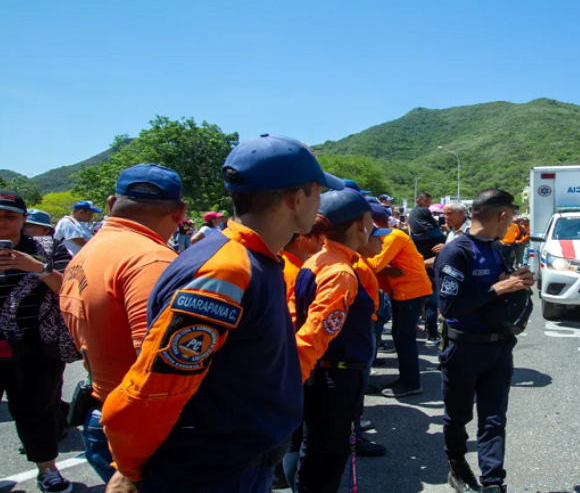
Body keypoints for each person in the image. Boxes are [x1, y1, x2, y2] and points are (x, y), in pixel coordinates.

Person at [100, 134, 342, 492]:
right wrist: (129, 467)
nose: (321, 204)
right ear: (296, 197)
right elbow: (158, 384)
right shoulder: (228, 269)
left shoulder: (256, 258)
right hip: (213, 470)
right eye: (318, 192)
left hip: (237, 462)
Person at [59, 164, 185, 483]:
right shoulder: (153, 261)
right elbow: (159, 369)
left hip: (105, 408)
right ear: (180, 212)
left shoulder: (89, 252)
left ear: (112, 203)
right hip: (141, 429)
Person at [290, 189, 391, 492]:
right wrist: (291, 380)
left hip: (326, 373)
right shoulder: (340, 272)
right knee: (326, 458)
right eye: (370, 222)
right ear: (361, 224)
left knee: (317, 452)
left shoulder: (319, 259)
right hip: (335, 376)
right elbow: (314, 333)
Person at [434, 189, 534, 493]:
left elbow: (502, 286)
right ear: (502, 215)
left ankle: (493, 483)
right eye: (511, 216)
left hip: (500, 347)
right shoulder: (457, 251)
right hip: (463, 348)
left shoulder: (497, 248)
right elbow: (449, 307)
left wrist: (518, 281)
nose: (512, 223)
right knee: (458, 416)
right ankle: (458, 466)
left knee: (494, 419)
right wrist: (500, 288)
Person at [0, 190, 79, 493]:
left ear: (23, 219)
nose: (3, 222)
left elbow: (70, 289)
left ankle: (47, 470)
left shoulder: (46, 248)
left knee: (37, 411)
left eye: (10, 216)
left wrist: (36, 268)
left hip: (36, 349)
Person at [365, 205, 433, 394]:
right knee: (400, 335)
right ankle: (408, 378)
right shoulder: (388, 236)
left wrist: (353, 254)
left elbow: (377, 263)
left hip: (411, 291)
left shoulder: (393, 237)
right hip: (403, 290)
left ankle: (410, 382)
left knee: (404, 337)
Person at [408, 192, 446, 258]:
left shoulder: (412, 211)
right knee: (445, 237)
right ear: (418, 201)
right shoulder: (424, 209)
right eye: (426, 201)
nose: (428, 204)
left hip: (416, 236)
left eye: (429, 202)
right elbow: (434, 223)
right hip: (427, 233)